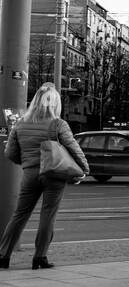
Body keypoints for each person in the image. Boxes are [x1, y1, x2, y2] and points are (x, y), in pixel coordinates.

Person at [0, 84, 89, 270]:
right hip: (54, 174)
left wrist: (26, 162)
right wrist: (84, 169)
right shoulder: (58, 124)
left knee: (19, 214)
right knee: (48, 214)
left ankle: (3, 256)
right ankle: (39, 258)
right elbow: (73, 148)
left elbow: (10, 153)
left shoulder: (21, 123)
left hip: (30, 174)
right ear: (55, 103)